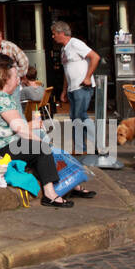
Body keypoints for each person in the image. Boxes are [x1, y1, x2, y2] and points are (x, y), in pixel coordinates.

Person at [0, 61, 93, 204]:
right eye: (15, 77)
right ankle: (50, 194)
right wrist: (42, 144)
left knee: (37, 148)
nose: (18, 81)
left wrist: (31, 129)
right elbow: (19, 128)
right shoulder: (2, 98)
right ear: (5, 79)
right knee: (43, 150)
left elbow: (2, 126)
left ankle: (71, 185)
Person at [51, 20, 103, 162]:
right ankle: (80, 147)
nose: (53, 36)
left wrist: (87, 77)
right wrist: (64, 90)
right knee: (75, 117)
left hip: (82, 87)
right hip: (73, 88)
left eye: (54, 34)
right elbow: (67, 71)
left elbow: (95, 57)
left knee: (80, 115)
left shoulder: (75, 43)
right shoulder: (64, 49)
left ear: (62, 33)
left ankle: (99, 144)